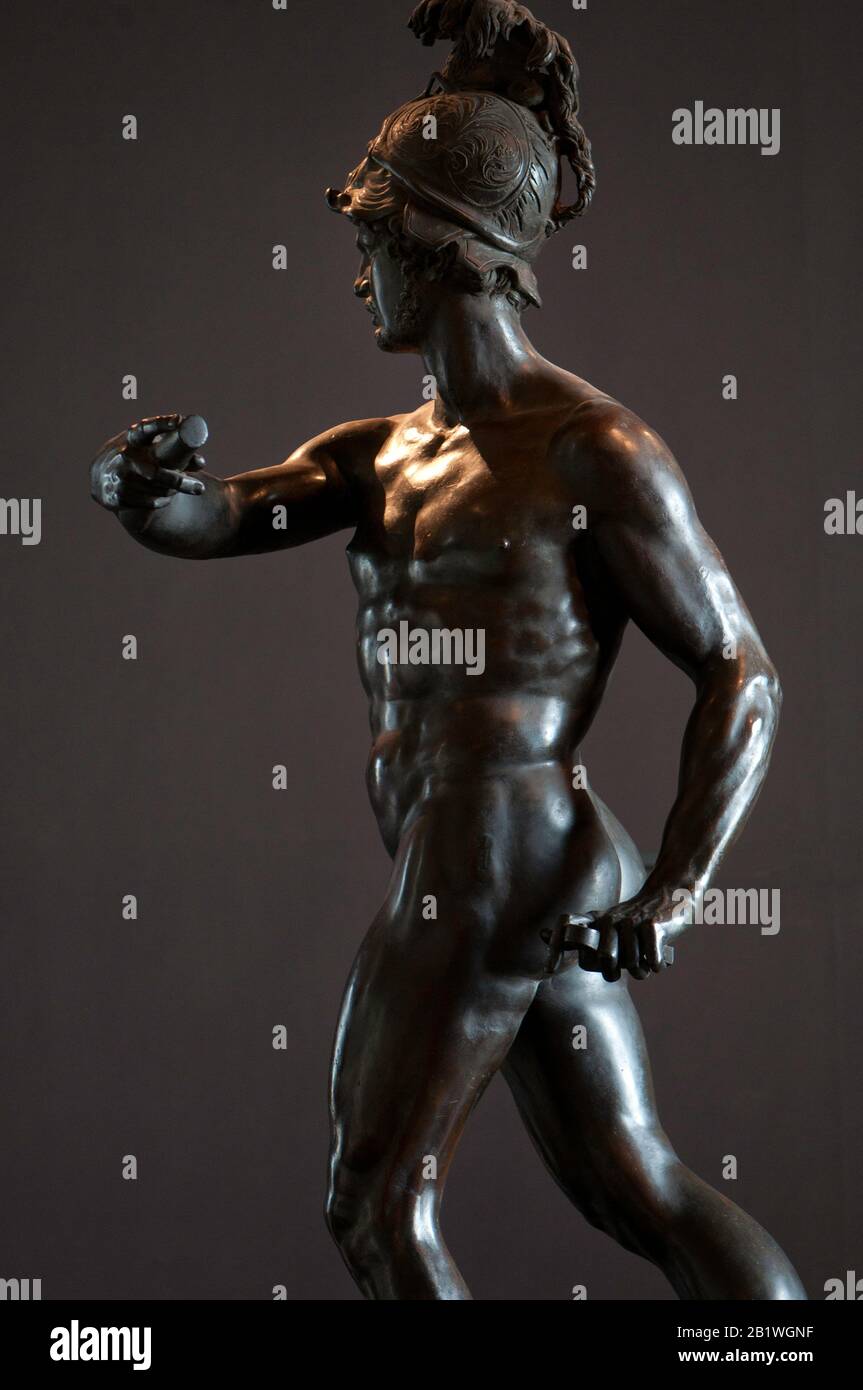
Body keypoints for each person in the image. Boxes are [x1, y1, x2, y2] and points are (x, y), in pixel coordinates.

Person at [90, 0, 805, 1300]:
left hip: (498, 853)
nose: (356, 267)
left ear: (449, 250)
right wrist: (150, 496)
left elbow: (740, 670)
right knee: (635, 1185)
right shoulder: (379, 454)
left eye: (374, 239)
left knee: (372, 1203)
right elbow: (232, 512)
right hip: (497, 861)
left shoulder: (592, 451)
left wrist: (686, 888)